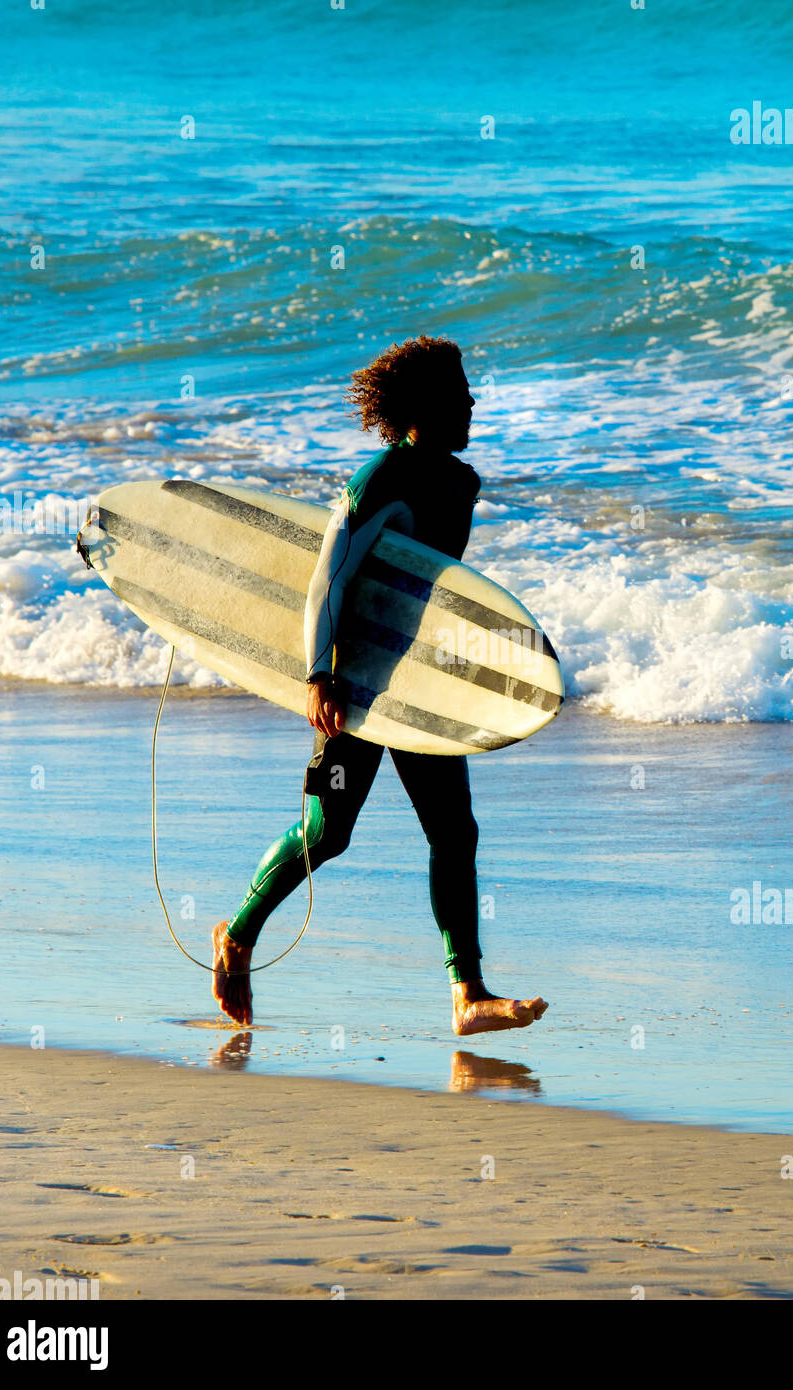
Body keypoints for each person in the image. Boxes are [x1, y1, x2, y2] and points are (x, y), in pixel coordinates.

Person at [211, 336, 549, 1036]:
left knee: (455, 832)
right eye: (460, 393)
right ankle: (238, 933)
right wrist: (320, 674)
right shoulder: (378, 482)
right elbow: (326, 579)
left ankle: (469, 995)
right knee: (327, 833)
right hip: (351, 682)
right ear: (426, 406)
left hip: (413, 689)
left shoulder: (462, 484)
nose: (473, 402)